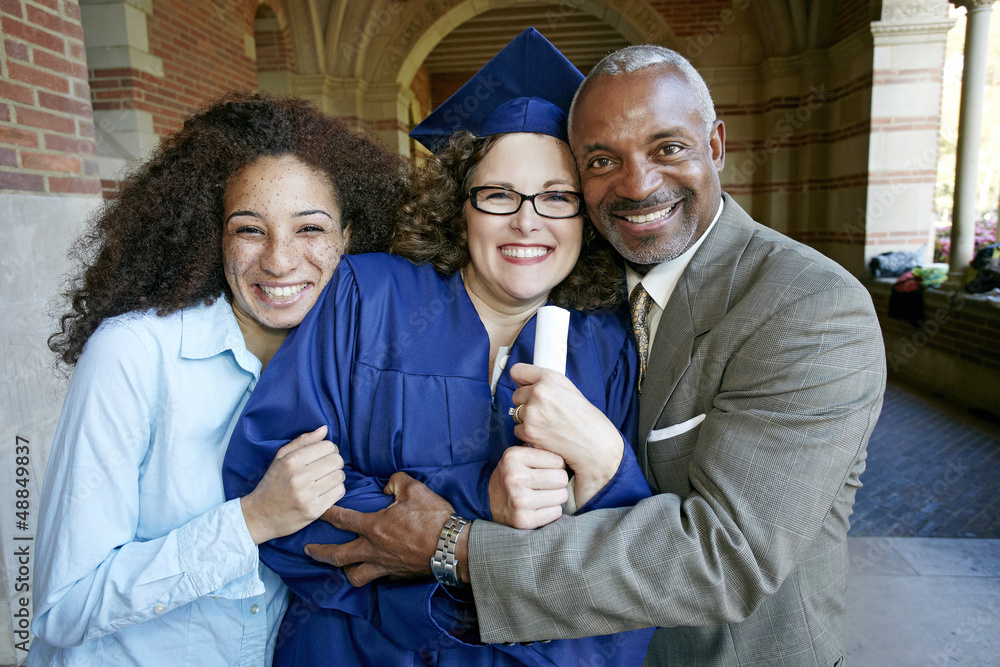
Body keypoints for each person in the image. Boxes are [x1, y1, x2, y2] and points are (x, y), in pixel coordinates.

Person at [305, 44, 888, 666]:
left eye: (669, 148)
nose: (638, 184)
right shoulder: (598, 293)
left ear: (715, 146)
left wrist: (456, 546)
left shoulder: (806, 307)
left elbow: (727, 559)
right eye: (603, 160)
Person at [223, 28, 654, 666]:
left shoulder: (608, 347)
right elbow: (275, 475)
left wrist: (450, 540)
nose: (527, 220)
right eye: (498, 194)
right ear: (460, 206)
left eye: (557, 198)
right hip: (356, 647)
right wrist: (479, 524)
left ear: (585, 217)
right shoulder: (366, 296)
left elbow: (621, 558)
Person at [29, 92, 409, 666]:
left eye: (310, 228)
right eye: (250, 229)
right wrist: (253, 519)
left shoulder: (360, 367)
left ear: (350, 237)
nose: (280, 261)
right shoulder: (134, 353)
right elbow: (63, 608)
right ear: (216, 236)